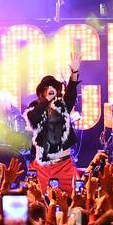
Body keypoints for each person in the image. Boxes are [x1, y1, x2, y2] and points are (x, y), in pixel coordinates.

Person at [25, 47, 81, 193]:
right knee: (37, 200)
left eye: (54, 88)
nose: (51, 91)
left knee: (73, 198)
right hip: (42, 166)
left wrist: (74, 74)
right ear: (41, 93)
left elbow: (70, 96)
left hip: (63, 166)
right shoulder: (34, 109)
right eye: (47, 89)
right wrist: (46, 100)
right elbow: (34, 118)